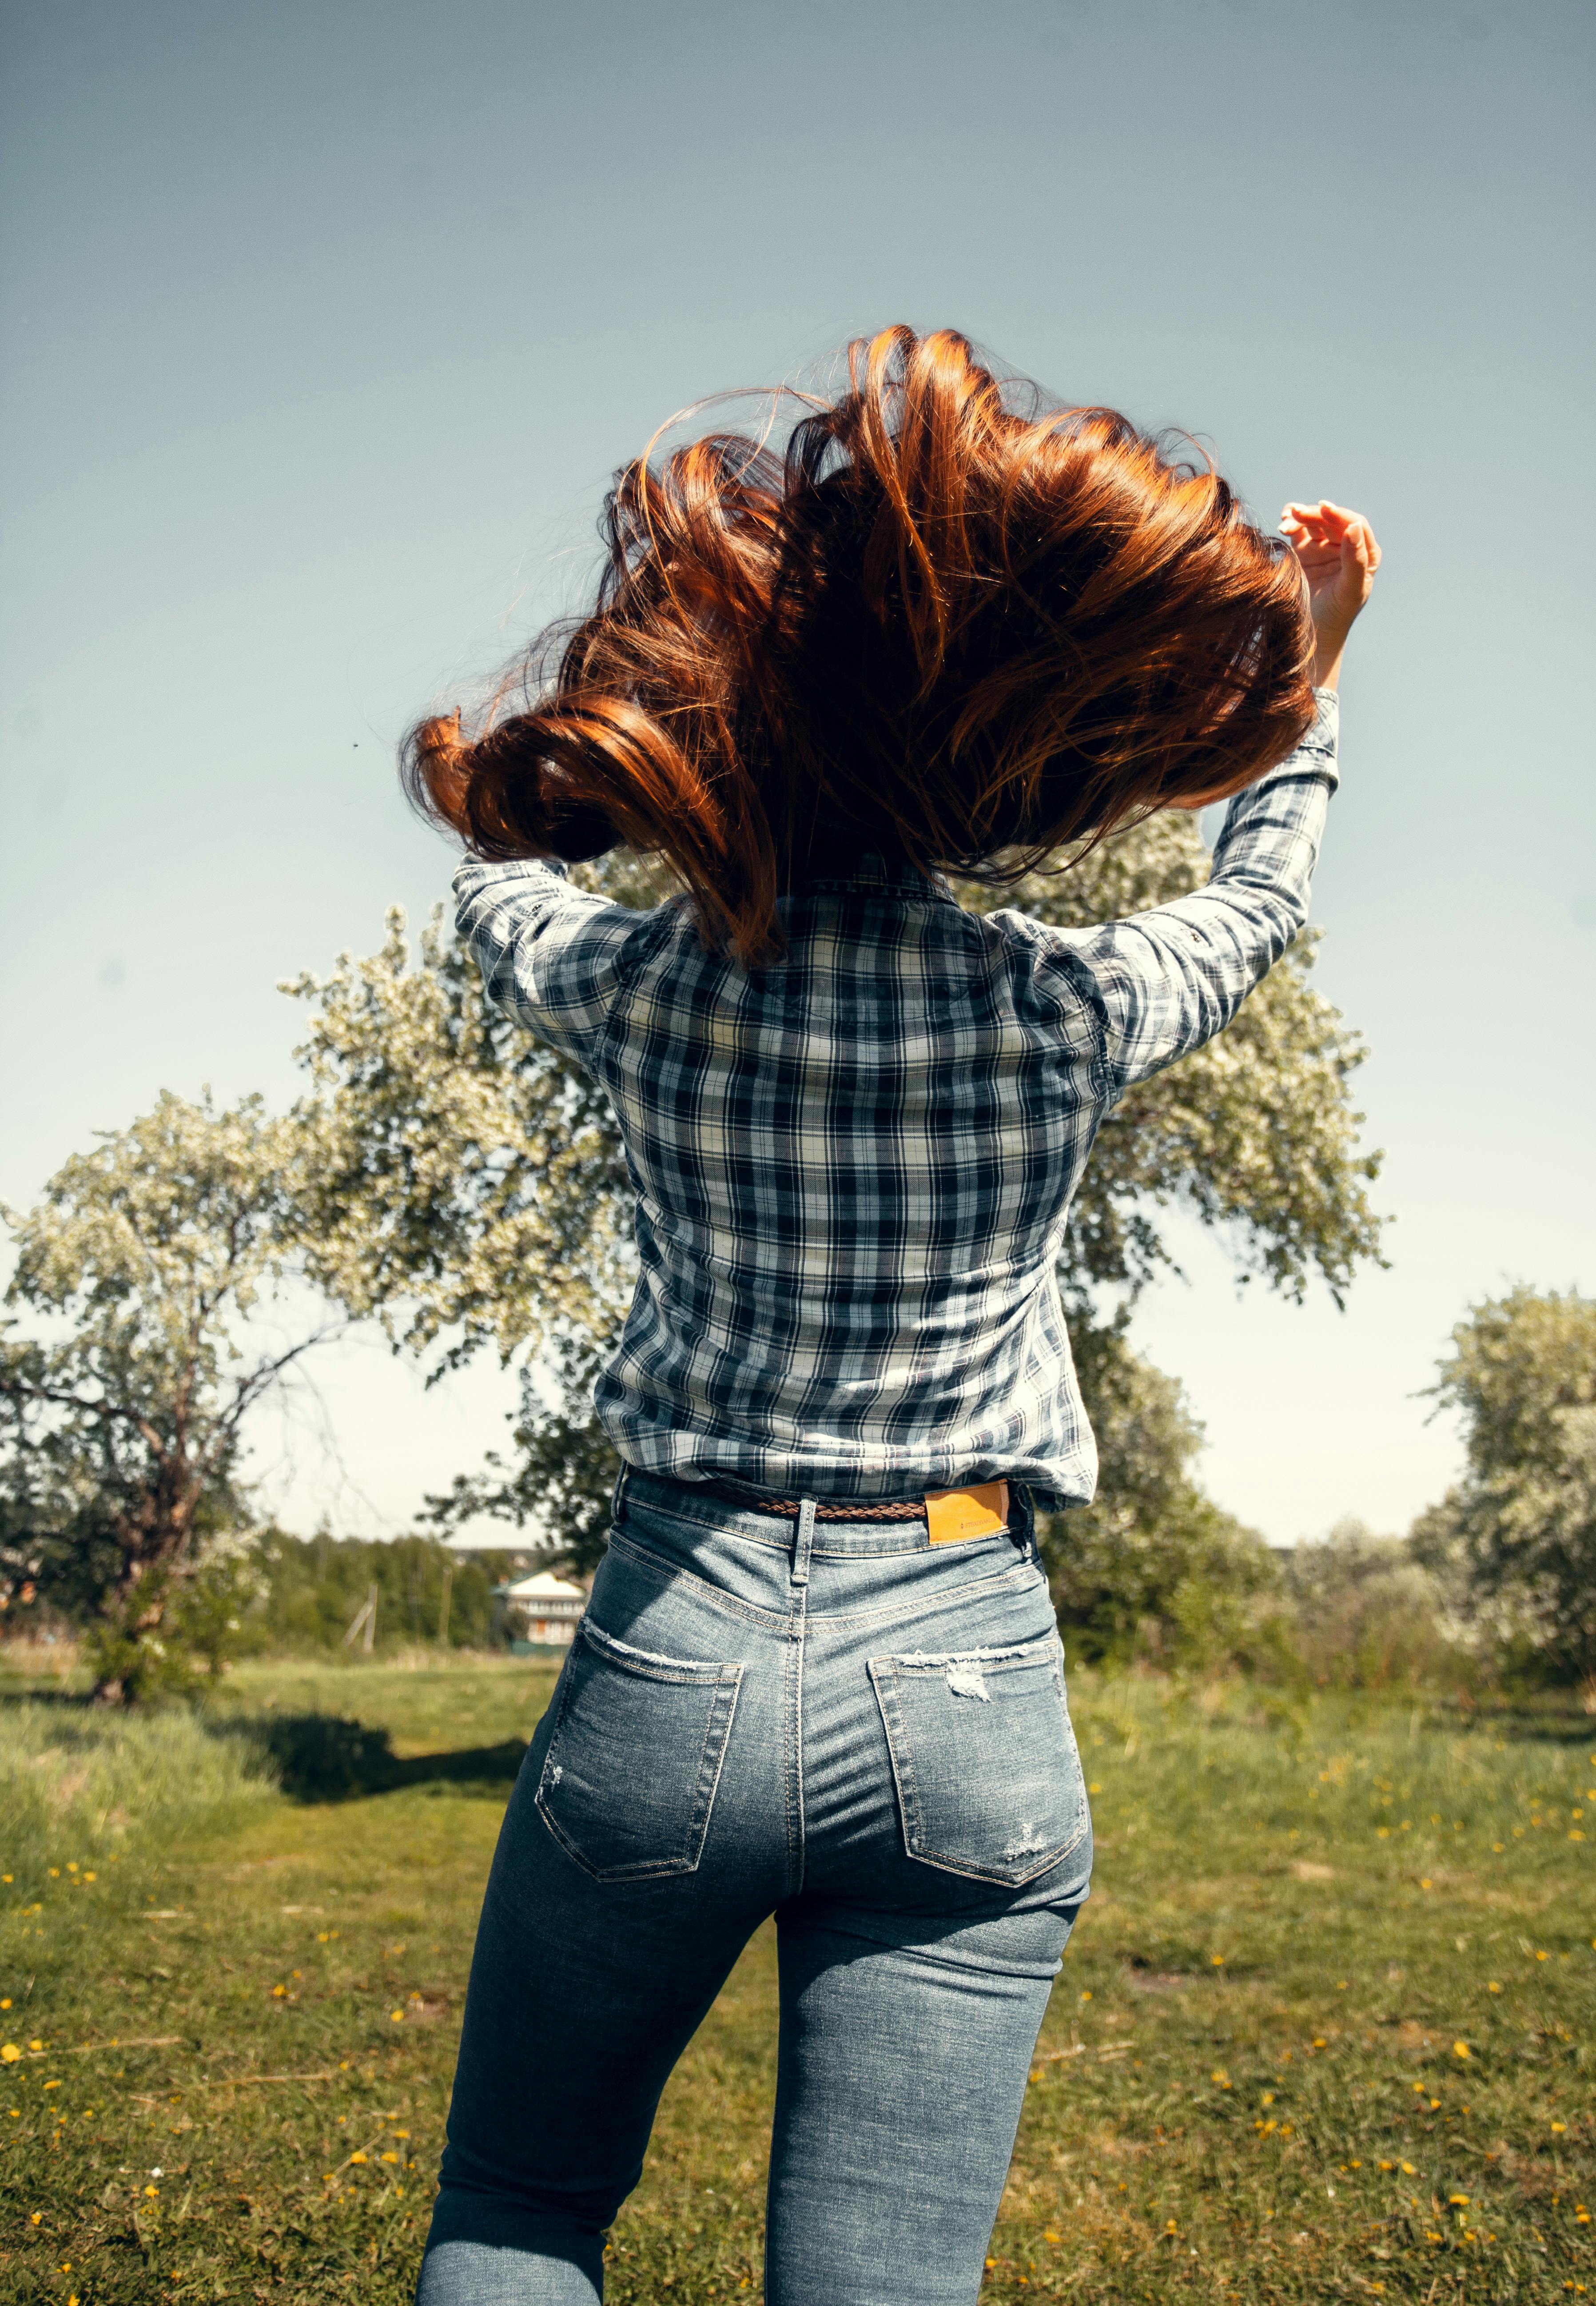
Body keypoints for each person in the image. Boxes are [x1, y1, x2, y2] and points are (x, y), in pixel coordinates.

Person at [403, 327, 1380, 2306]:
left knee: (519, 2205)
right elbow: (1254, 902)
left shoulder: (640, 990)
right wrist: (1313, 675)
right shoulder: (1056, 1010)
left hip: (672, 1638)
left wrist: (615, 774)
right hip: (962, 1669)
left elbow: (489, 891)